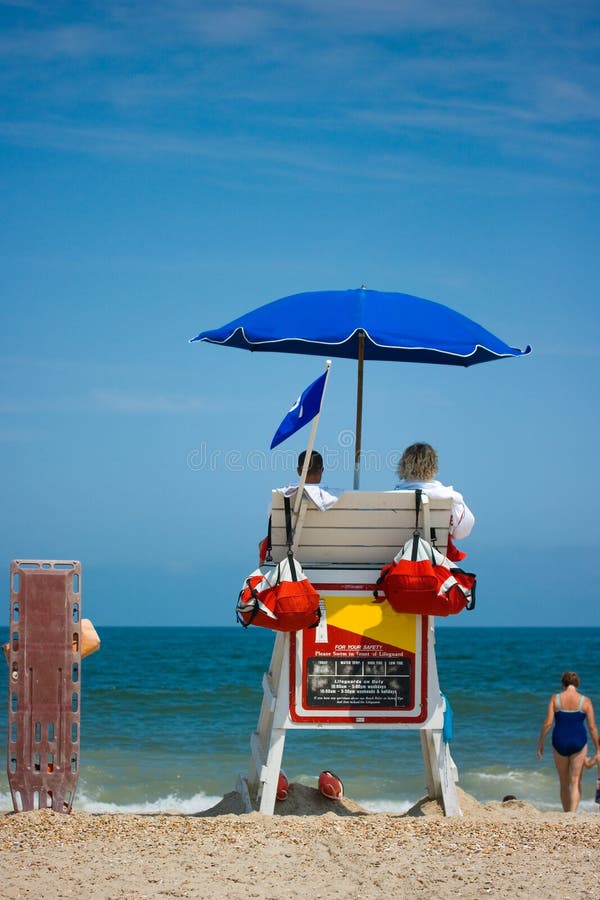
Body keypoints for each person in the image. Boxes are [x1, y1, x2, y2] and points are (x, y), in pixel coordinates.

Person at [394, 443, 474, 553]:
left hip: (397, 557)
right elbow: (462, 532)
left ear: (403, 466)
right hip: (433, 557)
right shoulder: (450, 496)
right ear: (434, 467)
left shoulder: (390, 498)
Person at [537, 672, 600, 812]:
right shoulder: (585, 701)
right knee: (575, 780)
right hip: (578, 741)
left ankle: (566, 813)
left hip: (559, 741)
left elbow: (548, 723)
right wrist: (598, 749)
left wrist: (540, 743)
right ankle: (572, 814)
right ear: (577, 684)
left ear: (563, 683)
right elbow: (592, 727)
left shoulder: (555, 699)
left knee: (564, 781)